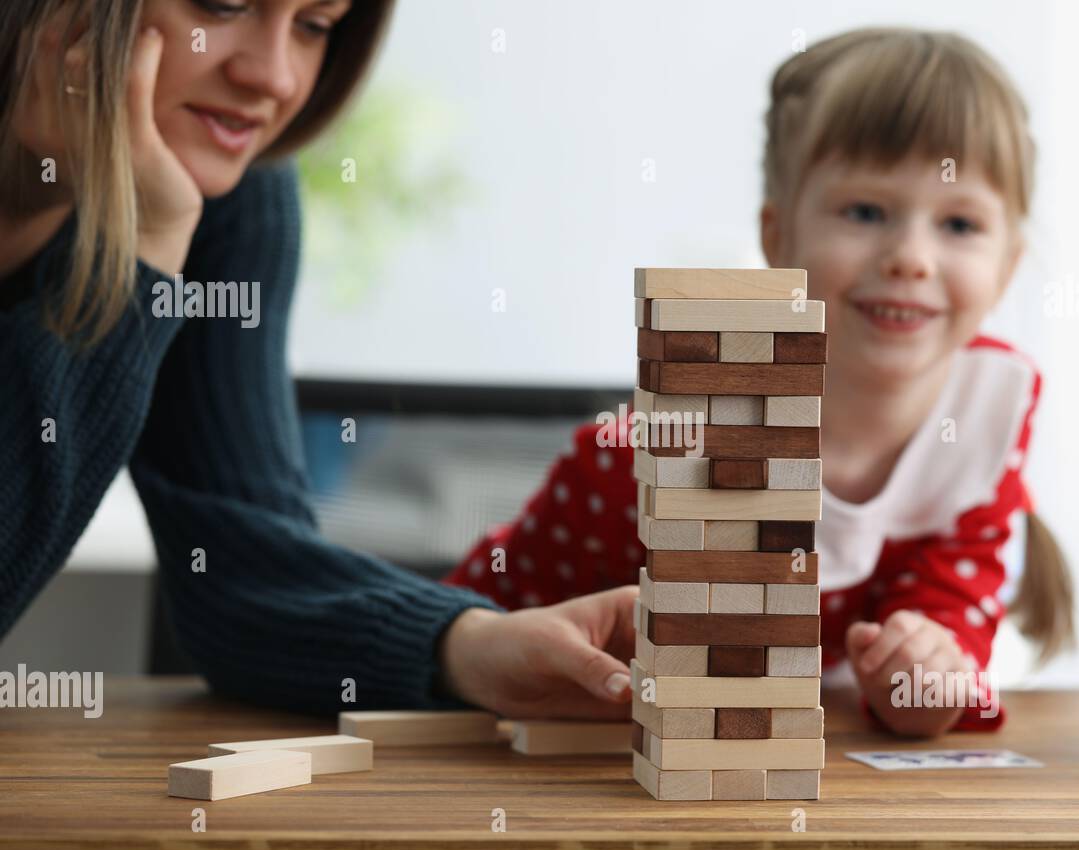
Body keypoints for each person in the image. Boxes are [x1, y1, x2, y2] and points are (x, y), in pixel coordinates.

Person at [0, 0, 636, 721]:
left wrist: (473, 645)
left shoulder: (228, 191)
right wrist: (145, 249)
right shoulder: (174, 198)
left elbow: (241, 569)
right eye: (224, 5)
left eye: (315, 24)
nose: (274, 77)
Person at [447, 27, 1075, 737]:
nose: (911, 258)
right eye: (866, 212)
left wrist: (926, 673)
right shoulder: (670, 443)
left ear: (1008, 266)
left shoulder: (988, 407)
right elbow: (466, 638)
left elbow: (950, 599)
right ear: (778, 238)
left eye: (959, 223)